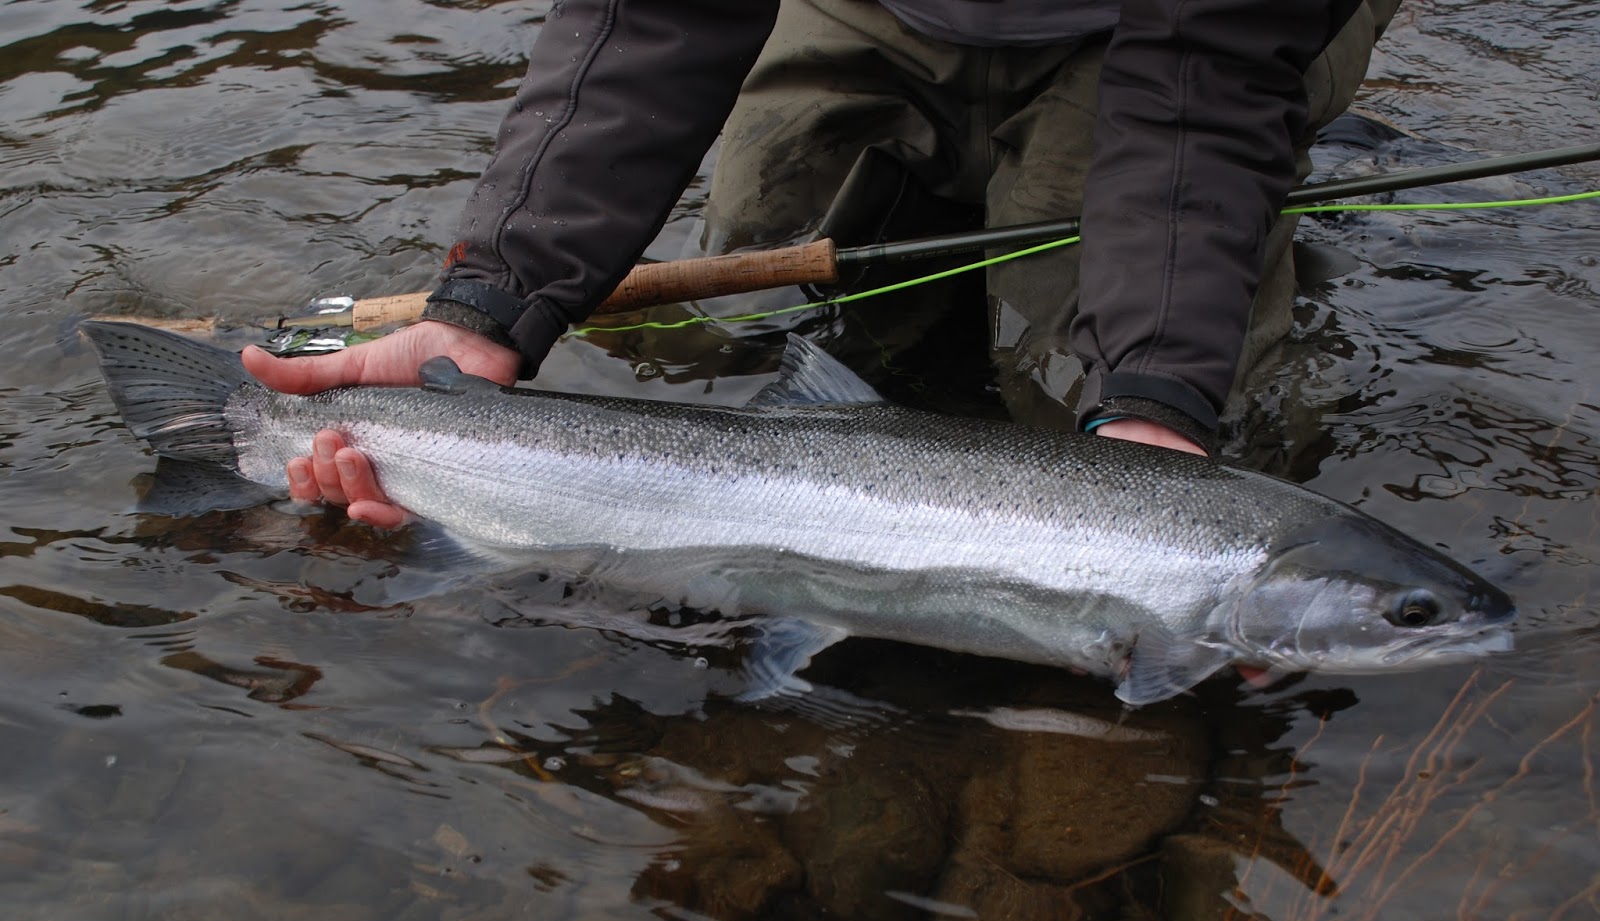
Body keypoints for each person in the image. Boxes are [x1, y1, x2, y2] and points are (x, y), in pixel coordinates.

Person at [242, 0, 1398, 529]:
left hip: (1195, 31)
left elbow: (1200, 88)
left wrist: (1154, 395)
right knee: (774, 259)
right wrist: (487, 302)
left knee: (1100, 405)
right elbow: (652, 23)